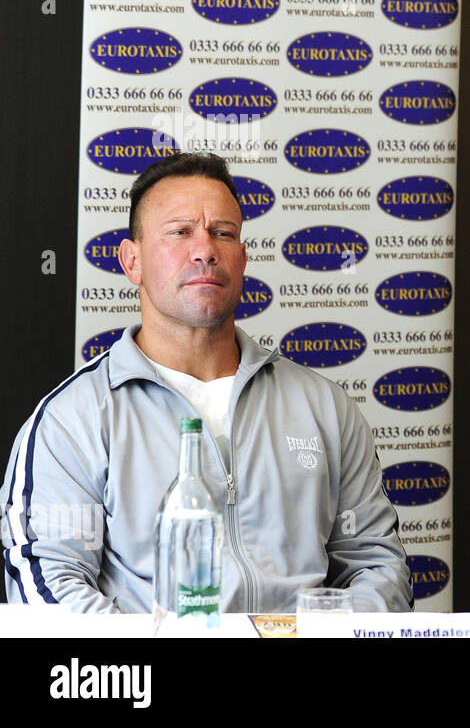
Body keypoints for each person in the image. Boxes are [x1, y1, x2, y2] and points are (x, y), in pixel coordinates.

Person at [2, 153, 412, 613]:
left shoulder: (324, 407)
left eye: (223, 232)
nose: (205, 249)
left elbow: (376, 564)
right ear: (131, 261)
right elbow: (49, 588)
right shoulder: (72, 419)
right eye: (180, 232)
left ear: (242, 258)